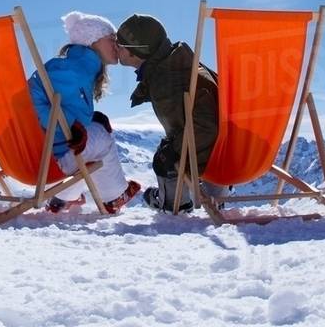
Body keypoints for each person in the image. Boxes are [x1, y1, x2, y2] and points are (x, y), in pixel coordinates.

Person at [28, 11, 140, 215]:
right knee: (103, 138)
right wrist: (72, 124)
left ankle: (63, 198)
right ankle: (114, 196)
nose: (117, 45)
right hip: (53, 157)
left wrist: (82, 122)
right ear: (93, 41)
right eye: (112, 39)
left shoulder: (76, 67)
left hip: (53, 150)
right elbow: (32, 103)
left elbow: (59, 104)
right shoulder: (72, 70)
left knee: (96, 130)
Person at [116, 13, 225, 213]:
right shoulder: (178, 65)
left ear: (136, 52)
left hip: (210, 146)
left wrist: (173, 148)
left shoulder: (166, 82)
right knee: (173, 145)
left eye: (120, 44)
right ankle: (218, 195)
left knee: (165, 156)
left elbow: (203, 126)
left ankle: (174, 204)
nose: (116, 48)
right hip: (229, 147)